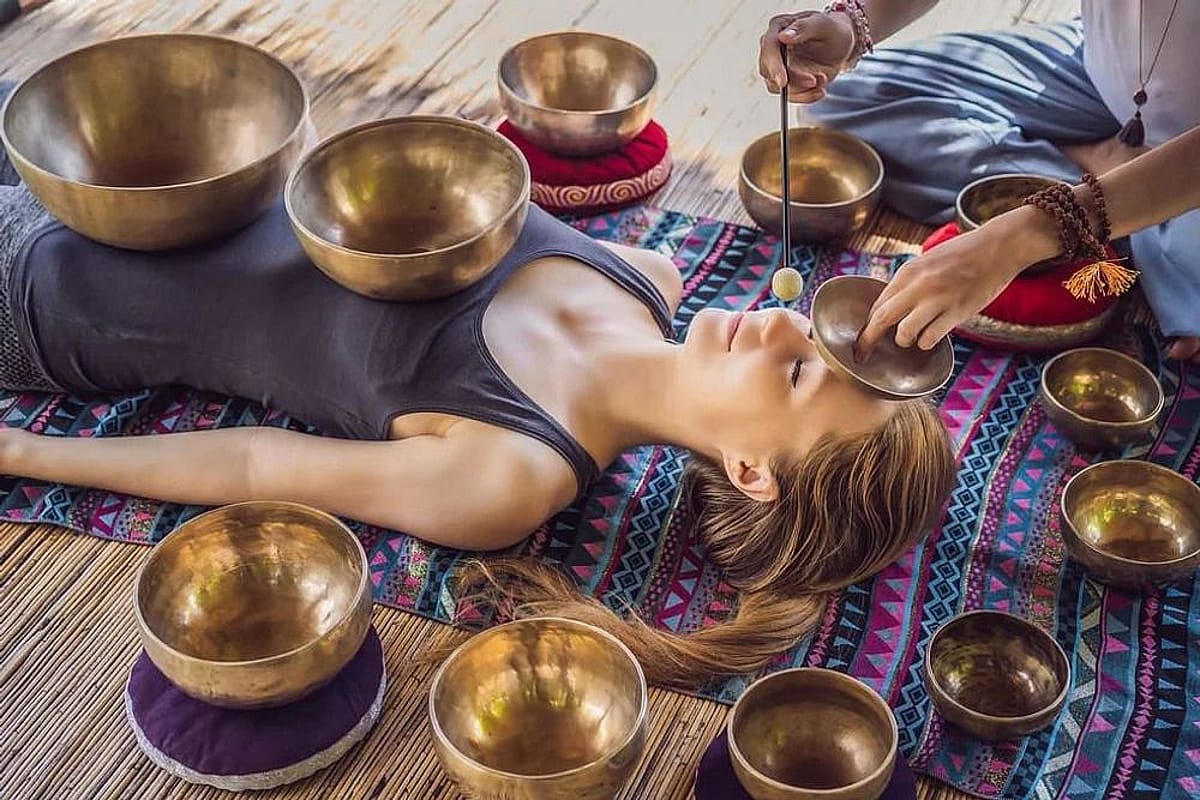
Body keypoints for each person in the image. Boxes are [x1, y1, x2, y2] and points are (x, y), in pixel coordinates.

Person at [0, 79, 956, 686]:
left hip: (54, 298)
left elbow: (252, 461)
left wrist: (27, 452)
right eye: (816, 336)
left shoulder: (511, 477)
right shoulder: (650, 278)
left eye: (796, 373)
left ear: (751, 470)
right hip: (138, 169)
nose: (788, 322)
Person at [757, 1, 1200, 360]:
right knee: (842, 99)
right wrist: (851, 25)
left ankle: (1132, 192)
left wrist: (1022, 235)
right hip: (1100, 68)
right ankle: (1120, 180)